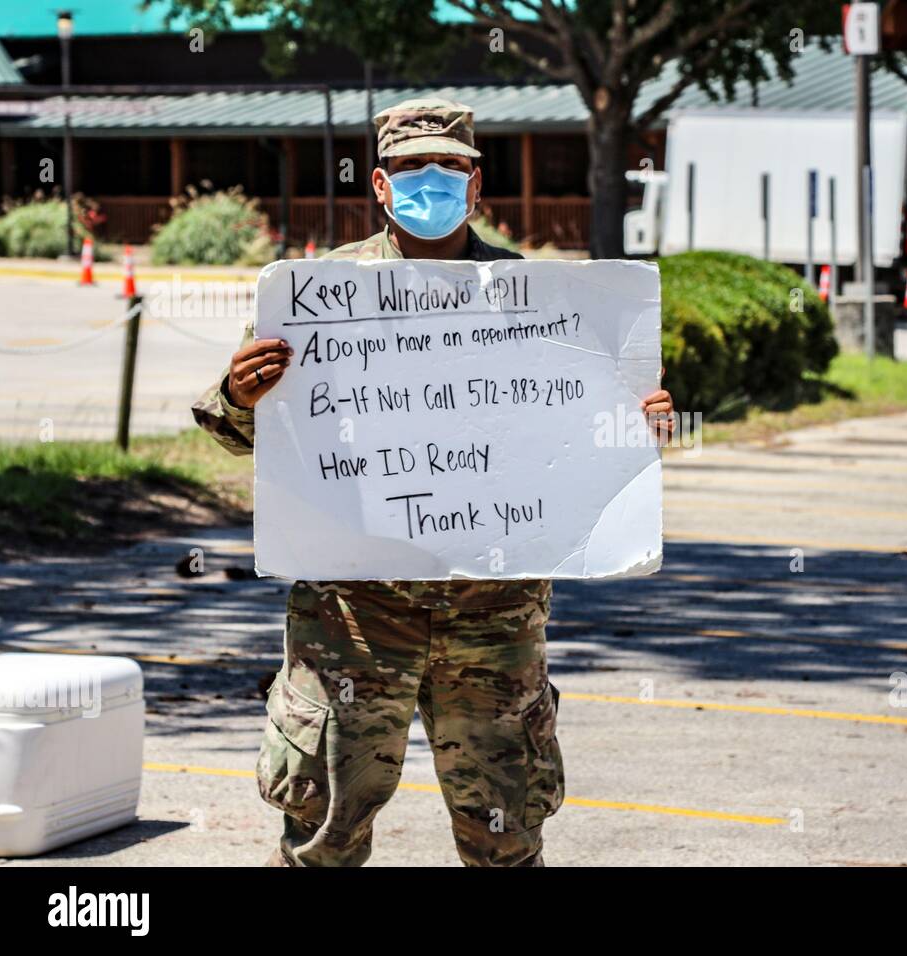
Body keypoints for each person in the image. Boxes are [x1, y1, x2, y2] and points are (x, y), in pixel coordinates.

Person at [192, 97, 674, 867]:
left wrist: (642, 425)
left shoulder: (546, 303)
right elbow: (235, 436)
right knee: (321, 835)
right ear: (379, 186)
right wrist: (237, 396)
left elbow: (589, 445)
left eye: (449, 167)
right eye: (413, 167)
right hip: (351, 617)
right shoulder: (314, 298)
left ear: (477, 188)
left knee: (505, 837)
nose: (431, 182)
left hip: (493, 619)